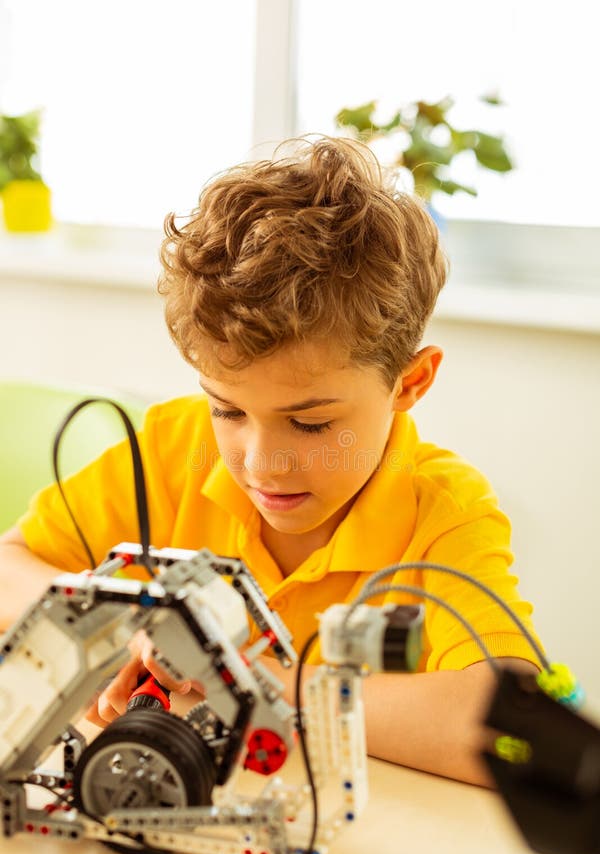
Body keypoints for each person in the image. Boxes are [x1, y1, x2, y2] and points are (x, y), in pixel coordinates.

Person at [0, 137, 543, 786]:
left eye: (311, 423)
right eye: (228, 411)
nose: (261, 464)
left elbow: (512, 733)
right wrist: (127, 622)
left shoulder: (445, 515)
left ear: (409, 383)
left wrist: (239, 674)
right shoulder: (174, 445)